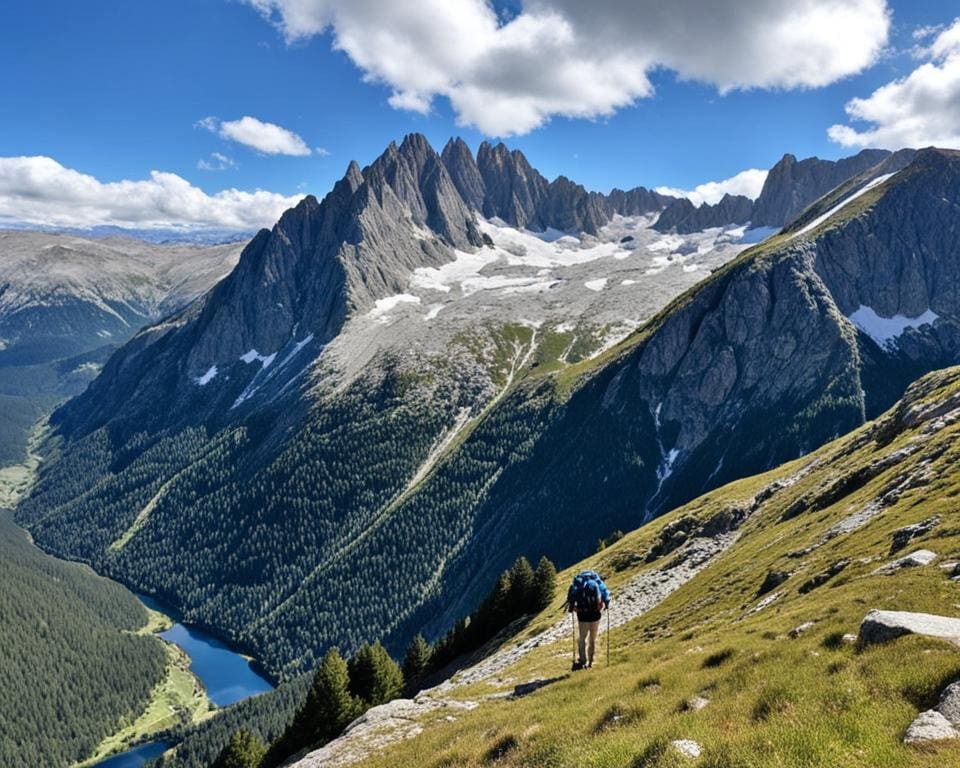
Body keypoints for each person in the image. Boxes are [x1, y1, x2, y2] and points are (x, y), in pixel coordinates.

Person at [567, 570, 610, 669]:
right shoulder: (596, 583)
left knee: (582, 638)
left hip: (583, 615)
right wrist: (606, 604)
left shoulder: (578, 584)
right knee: (593, 638)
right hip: (595, 615)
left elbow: (572, 600)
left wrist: (573, 608)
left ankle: (583, 661)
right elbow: (605, 594)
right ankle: (591, 661)